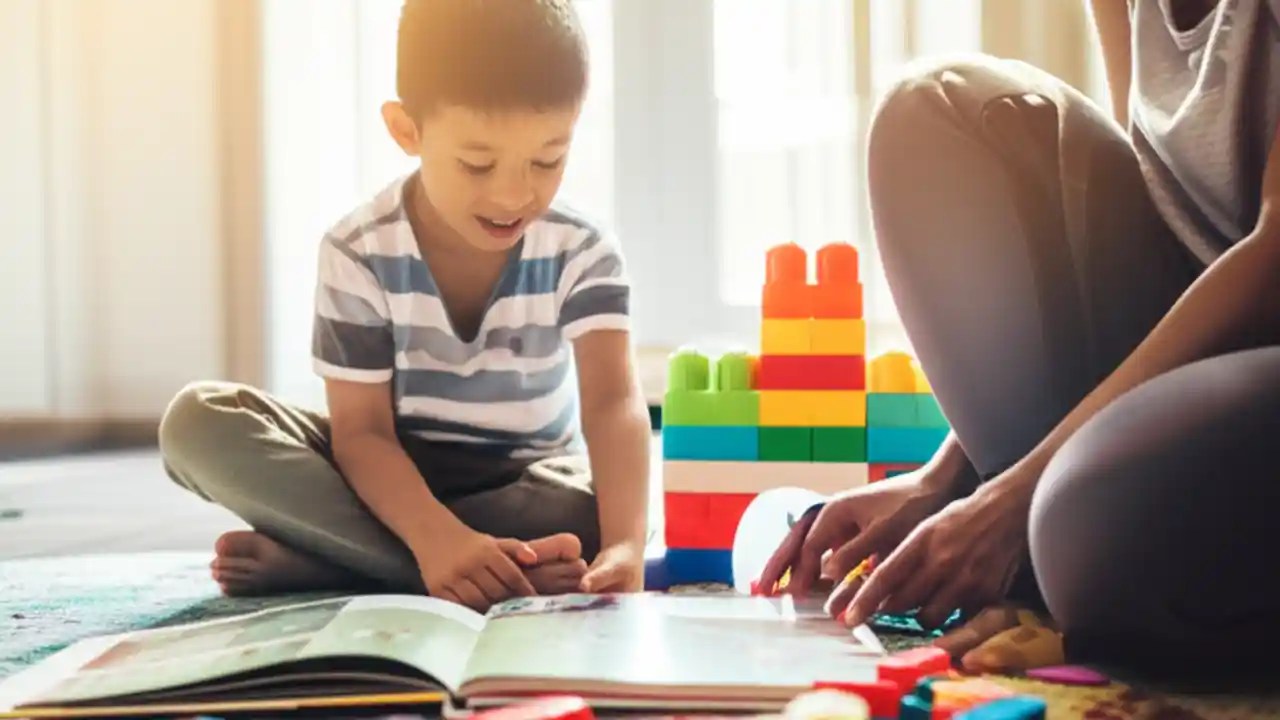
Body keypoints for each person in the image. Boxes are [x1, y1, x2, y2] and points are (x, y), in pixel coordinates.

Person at [761, 0, 1280, 686]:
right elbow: (1151, 206)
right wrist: (948, 482)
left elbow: (1272, 262)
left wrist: (1014, 498)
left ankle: (1062, 558)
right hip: (1190, 356)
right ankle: (1052, 554)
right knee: (929, 112)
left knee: (1082, 528)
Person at [157, 0, 652, 612]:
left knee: (587, 514)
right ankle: (441, 564)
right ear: (406, 131)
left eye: (548, 159)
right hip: (388, 476)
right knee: (199, 421)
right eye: (477, 163)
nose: (514, 192)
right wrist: (432, 537)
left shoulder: (584, 248)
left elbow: (612, 403)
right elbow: (362, 435)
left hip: (526, 483)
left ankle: (335, 558)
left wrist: (627, 544)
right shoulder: (358, 250)